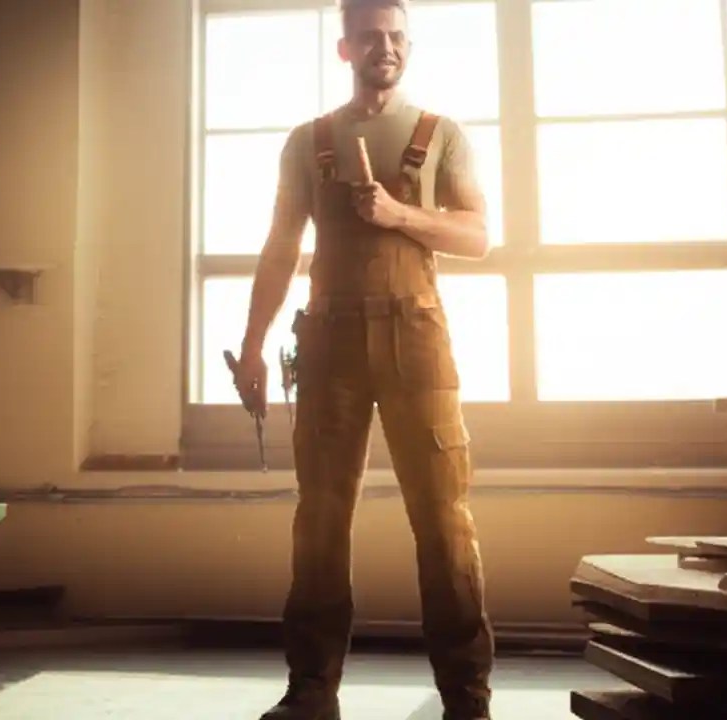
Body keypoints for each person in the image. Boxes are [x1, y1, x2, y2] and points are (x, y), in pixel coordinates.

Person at [230, 1, 495, 718]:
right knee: (319, 518)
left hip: (417, 338)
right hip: (330, 342)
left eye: (398, 37)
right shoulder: (308, 141)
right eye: (371, 37)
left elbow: (477, 236)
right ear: (345, 48)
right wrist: (252, 345)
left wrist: (398, 214)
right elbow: (281, 246)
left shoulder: (441, 134)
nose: (387, 48)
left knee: (443, 520)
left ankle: (467, 698)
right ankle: (311, 690)